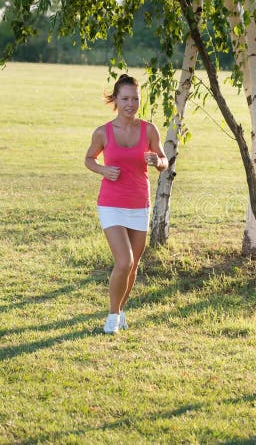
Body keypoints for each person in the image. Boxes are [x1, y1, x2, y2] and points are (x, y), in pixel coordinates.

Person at [85, 74, 168, 334]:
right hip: (111, 204)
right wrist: (103, 170)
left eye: (135, 99)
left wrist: (157, 161)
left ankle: (121, 311)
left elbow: (164, 161)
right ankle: (112, 316)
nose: (130, 104)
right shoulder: (103, 132)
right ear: (115, 100)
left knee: (132, 266)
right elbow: (89, 159)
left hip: (139, 204)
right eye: (125, 99)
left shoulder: (149, 130)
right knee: (124, 261)